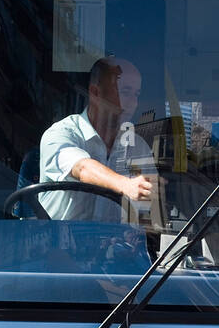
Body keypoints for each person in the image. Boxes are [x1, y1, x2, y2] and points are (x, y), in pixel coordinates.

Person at [38, 57, 156, 222]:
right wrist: (125, 185)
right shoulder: (61, 134)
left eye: (136, 94)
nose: (133, 103)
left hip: (117, 244)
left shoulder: (138, 147)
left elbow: (149, 214)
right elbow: (82, 168)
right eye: (125, 92)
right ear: (95, 93)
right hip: (60, 244)